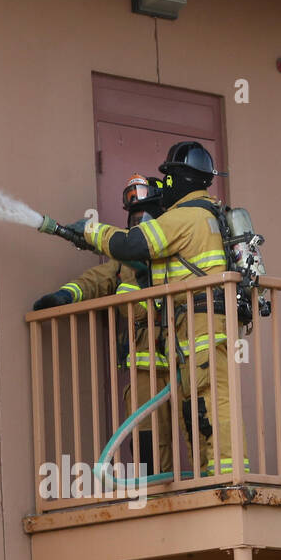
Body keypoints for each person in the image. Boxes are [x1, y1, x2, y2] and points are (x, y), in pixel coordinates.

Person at [82, 141, 246, 477]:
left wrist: (89, 231)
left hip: (200, 328)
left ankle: (224, 476)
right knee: (198, 407)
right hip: (199, 330)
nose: (165, 184)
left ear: (180, 179)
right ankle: (208, 475)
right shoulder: (213, 215)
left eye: (168, 176)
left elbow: (132, 243)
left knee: (211, 402)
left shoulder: (185, 217)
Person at [33, 175, 174, 473]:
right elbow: (97, 279)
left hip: (184, 363)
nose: (139, 225)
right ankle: (156, 492)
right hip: (143, 369)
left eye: (146, 216)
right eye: (134, 218)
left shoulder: (178, 256)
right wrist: (63, 296)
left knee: (196, 427)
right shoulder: (125, 261)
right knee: (146, 437)